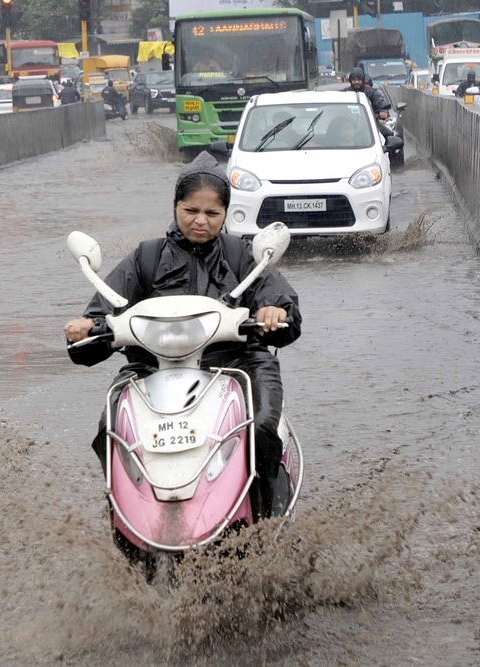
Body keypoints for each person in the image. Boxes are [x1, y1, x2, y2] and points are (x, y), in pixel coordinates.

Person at [62, 152, 303, 518]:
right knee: (108, 430)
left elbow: (283, 308)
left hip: (237, 363)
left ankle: (265, 517)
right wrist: (84, 328)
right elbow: (100, 315)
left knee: (263, 427)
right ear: (175, 206)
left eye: (212, 214)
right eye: (191, 211)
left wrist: (275, 311)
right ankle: (124, 516)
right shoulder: (145, 258)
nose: (201, 222)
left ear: (226, 214)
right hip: (150, 366)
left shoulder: (242, 256)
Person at [347, 67, 393, 139]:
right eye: (354, 80)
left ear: (362, 80)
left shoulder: (371, 92)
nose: (356, 82)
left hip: (369, 124)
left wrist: (383, 111)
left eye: (358, 80)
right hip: (347, 124)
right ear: (350, 81)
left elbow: (380, 101)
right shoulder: (345, 93)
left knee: (389, 135)